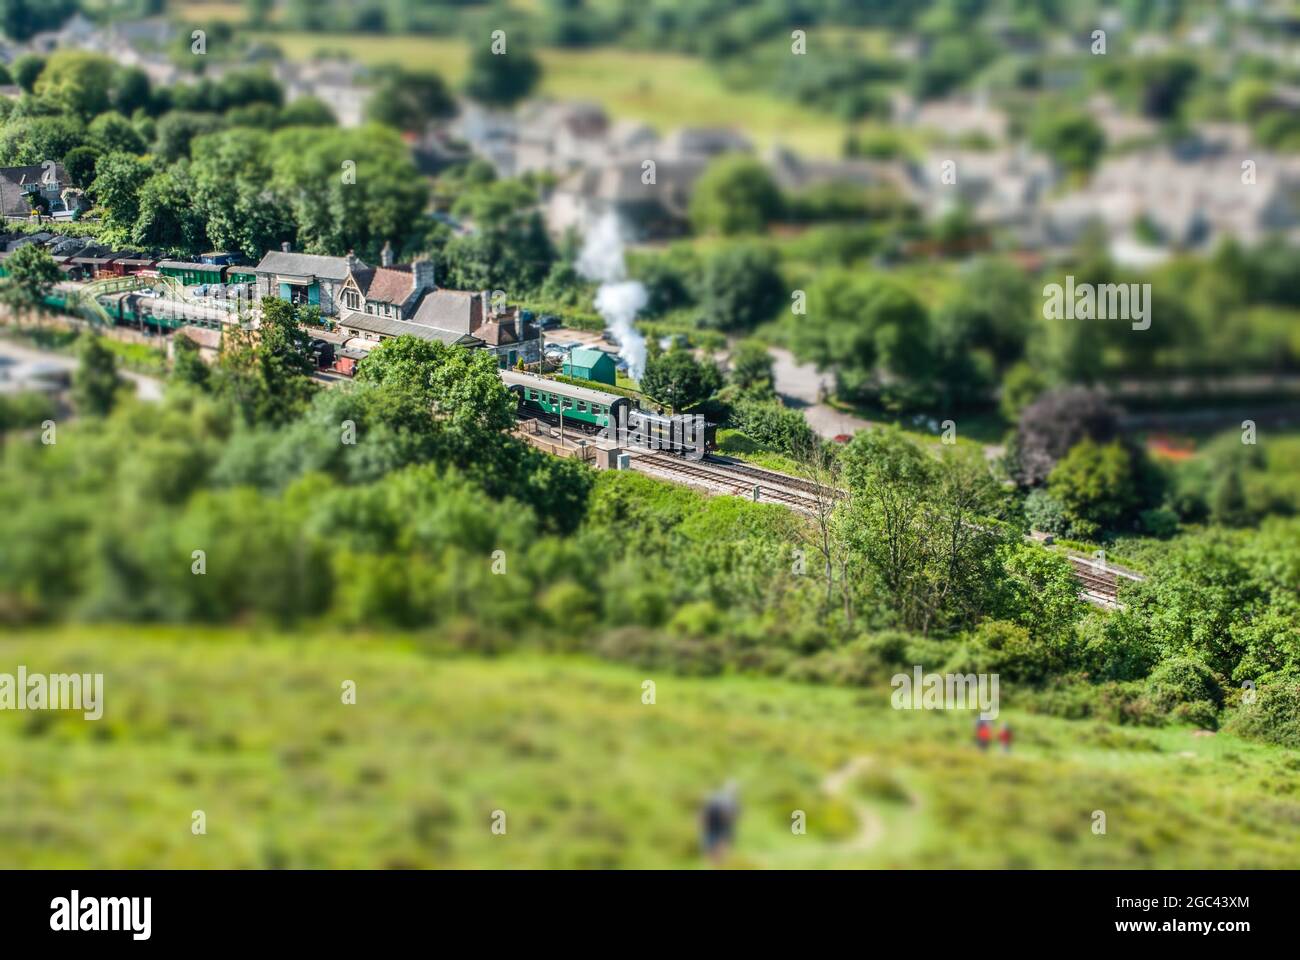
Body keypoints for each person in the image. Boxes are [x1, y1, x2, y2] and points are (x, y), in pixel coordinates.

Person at [700, 780, 740, 866]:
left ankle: (717, 864)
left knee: (719, 849)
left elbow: (735, 816)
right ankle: (714, 864)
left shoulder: (732, 801)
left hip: (720, 828)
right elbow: (705, 814)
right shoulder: (721, 800)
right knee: (713, 850)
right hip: (714, 827)